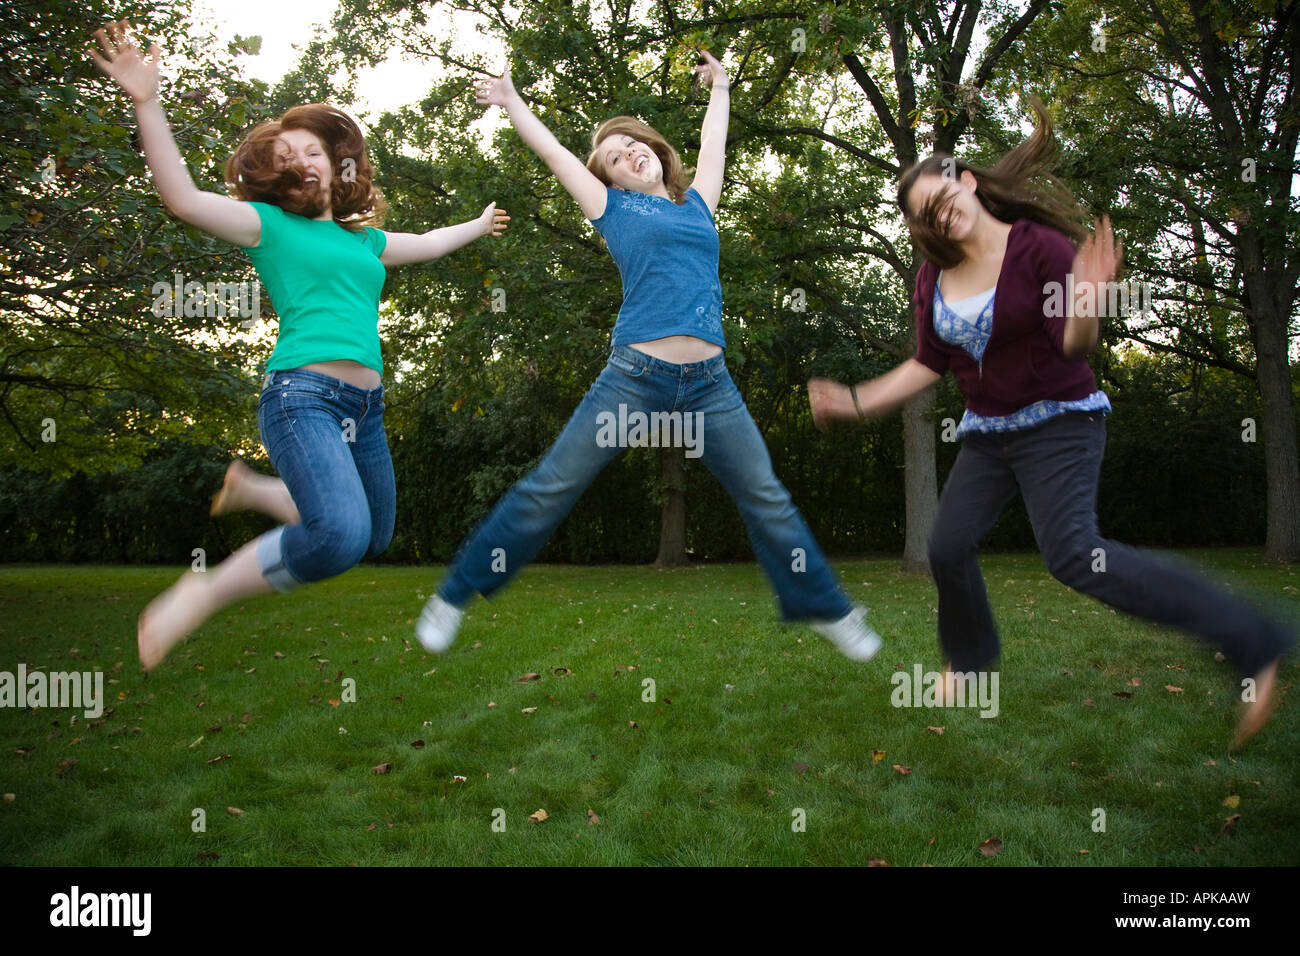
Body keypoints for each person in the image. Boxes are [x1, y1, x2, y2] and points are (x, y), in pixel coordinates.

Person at [807, 101, 1292, 747]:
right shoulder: (933, 278)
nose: (939, 214)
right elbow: (929, 362)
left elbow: (1073, 344)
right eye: (923, 214)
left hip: (1060, 422)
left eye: (942, 196)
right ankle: (973, 663)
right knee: (946, 546)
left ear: (967, 181)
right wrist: (855, 399)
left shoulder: (1037, 247)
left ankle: (1251, 641)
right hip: (989, 432)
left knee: (1075, 557)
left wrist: (1088, 304)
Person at [416, 50, 880, 660]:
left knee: (765, 495)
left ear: (656, 151)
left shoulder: (698, 204)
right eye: (614, 158)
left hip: (710, 385)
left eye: (634, 145)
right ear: (609, 179)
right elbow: (556, 156)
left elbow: (714, 146)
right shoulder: (611, 208)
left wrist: (722, 86)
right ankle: (454, 595)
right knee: (554, 484)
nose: (629, 154)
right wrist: (511, 102)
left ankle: (823, 605)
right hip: (634, 380)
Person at [91, 21, 508, 670]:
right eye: (286, 157)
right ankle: (202, 593)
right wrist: (147, 101)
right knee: (340, 536)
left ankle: (258, 493)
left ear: (334, 162)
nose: (301, 161)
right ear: (273, 175)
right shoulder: (268, 226)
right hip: (303, 398)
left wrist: (477, 226)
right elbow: (181, 198)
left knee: (376, 535)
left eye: (311, 149)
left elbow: (424, 244)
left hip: (365, 411)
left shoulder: (361, 240)